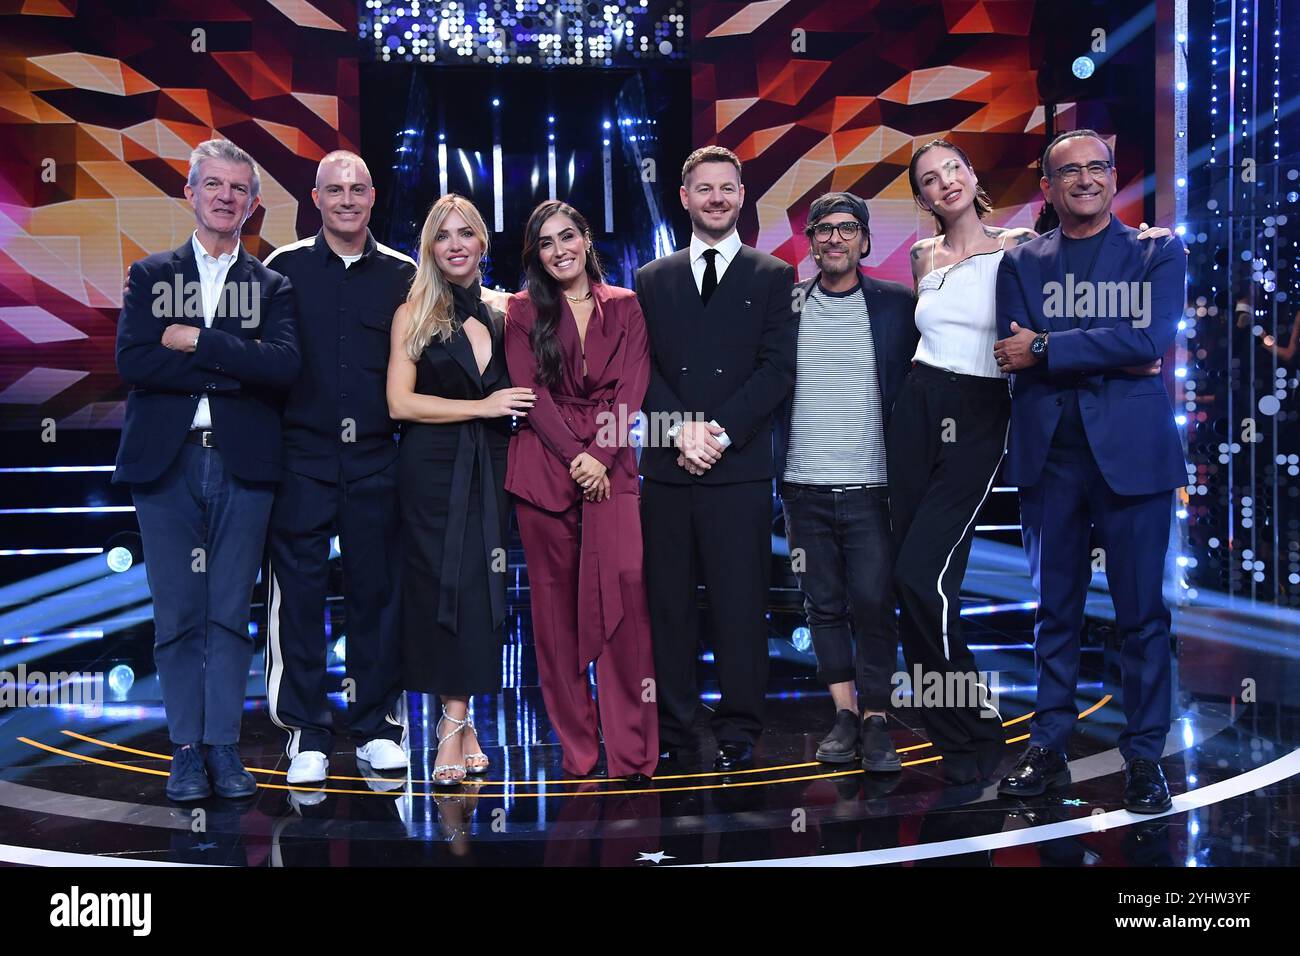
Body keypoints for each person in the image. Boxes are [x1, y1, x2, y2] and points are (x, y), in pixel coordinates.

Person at [993, 129, 1188, 814]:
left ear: (1112, 175)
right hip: (1051, 456)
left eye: (1096, 167)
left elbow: (1151, 339)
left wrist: (1050, 344)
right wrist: (1106, 348)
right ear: (1046, 188)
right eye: (1068, 171)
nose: (1085, 179)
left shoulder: (1157, 251)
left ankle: (1145, 757)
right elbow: (1014, 351)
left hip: (1134, 456)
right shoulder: (1020, 261)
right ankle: (1047, 746)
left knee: (1143, 615)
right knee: (1055, 611)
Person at [113, 139, 300, 801]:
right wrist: (234, 362)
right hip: (168, 465)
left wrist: (196, 341)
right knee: (177, 615)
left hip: (243, 466)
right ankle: (185, 750)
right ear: (190, 193)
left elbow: (282, 366)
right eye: (213, 184)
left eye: (238, 188)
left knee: (227, 613)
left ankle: (223, 745)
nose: (225, 197)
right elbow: (135, 361)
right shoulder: (150, 276)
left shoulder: (272, 286)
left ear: (253, 204)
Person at [636, 146, 797, 772]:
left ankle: (739, 727)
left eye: (727, 188)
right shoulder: (652, 278)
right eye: (704, 188)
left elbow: (777, 370)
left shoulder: (772, 274)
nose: (716, 198)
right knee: (669, 607)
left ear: (742, 195)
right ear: (684, 196)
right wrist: (681, 431)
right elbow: (640, 369)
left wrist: (718, 434)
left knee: (739, 604)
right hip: (667, 469)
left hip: (740, 469)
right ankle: (675, 728)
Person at [261, 151, 416, 786]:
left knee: (378, 597)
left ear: (373, 196)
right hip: (300, 460)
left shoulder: (405, 273)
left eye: (357, 189)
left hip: (377, 460)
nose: (347, 200)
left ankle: (377, 728)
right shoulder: (283, 267)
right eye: (335, 190)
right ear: (316, 199)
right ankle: (305, 734)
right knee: (297, 599)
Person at [889, 139, 1037, 781]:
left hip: (980, 411)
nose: (944, 181)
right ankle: (949, 727)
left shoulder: (1020, 244)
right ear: (921, 197)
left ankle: (975, 721)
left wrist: (1146, 242)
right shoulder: (922, 255)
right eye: (929, 178)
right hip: (915, 408)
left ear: (973, 176)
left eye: (953, 168)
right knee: (906, 578)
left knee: (924, 574)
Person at [504, 200, 658, 782]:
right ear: (536, 255)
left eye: (567, 236)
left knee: (625, 606)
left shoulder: (626, 305)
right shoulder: (522, 310)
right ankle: (579, 751)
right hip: (544, 469)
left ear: (586, 239)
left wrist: (601, 455)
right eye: (545, 243)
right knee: (554, 618)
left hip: (611, 464)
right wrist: (579, 457)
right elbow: (531, 394)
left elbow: (633, 386)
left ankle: (631, 752)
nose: (559, 250)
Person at [388, 194, 531, 786]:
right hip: (431, 467)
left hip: (493, 463)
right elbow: (400, 403)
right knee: (441, 591)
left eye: (465, 233)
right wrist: (482, 406)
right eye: (443, 235)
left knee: (482, 592)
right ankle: (452, 722)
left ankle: (463, 721)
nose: (455, 244)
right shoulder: (414, 312)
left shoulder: (508, 310)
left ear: (482, 242)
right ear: (430, 246)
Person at [773, 192, 917, 771]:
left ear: (864, 239)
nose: (835, 238)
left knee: (875, 604)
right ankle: (844, 714)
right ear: (810, 241)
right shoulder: (786, 306)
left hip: (874, 488)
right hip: (803, 487)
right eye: (824, 229)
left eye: (847, 228)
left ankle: (877, 718)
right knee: (823, 606)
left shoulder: (896, 305)